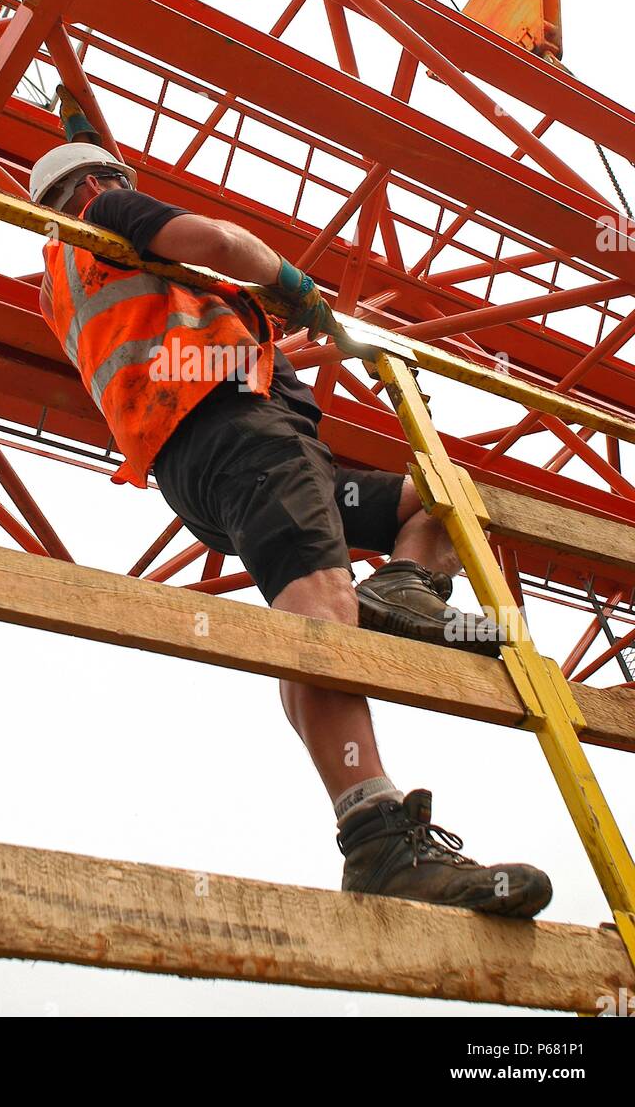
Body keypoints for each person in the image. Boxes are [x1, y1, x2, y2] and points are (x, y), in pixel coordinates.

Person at [33, 126, 552, 919]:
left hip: (233, 452)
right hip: (238, 441)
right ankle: (377, 833)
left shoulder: (74, 280)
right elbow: (216, 240)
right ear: (102, 180)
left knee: (439, 496)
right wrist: (291, 283)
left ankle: (403, 590)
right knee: (317, 606)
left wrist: (287, 341)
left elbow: (195, 344)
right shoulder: (105, 212)